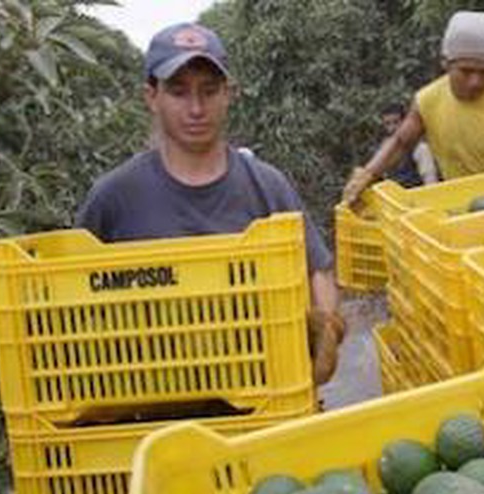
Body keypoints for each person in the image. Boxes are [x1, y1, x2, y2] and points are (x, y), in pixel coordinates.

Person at [76, 22, 345, 386]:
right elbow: (75, 293)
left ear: (228, 93)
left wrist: (325, 321)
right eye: (178, 92)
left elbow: (318, 268)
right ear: (151, 97)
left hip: (259, 394)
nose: (196, 108)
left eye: (209, 90)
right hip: (153, 405)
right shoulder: (115, 196)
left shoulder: (267, 185)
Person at [341, 10, 484, 204]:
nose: (475, 81)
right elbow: (400, 143)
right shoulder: (428, 101)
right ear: (446, 63)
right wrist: (367, 175)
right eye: (465, 71)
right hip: (463, 207)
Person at [378, 103, 439, 188]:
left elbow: (431, 183)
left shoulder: (420, 149)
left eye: (396, 122)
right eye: (387, 124)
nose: (392, 128)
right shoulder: (384, 151)